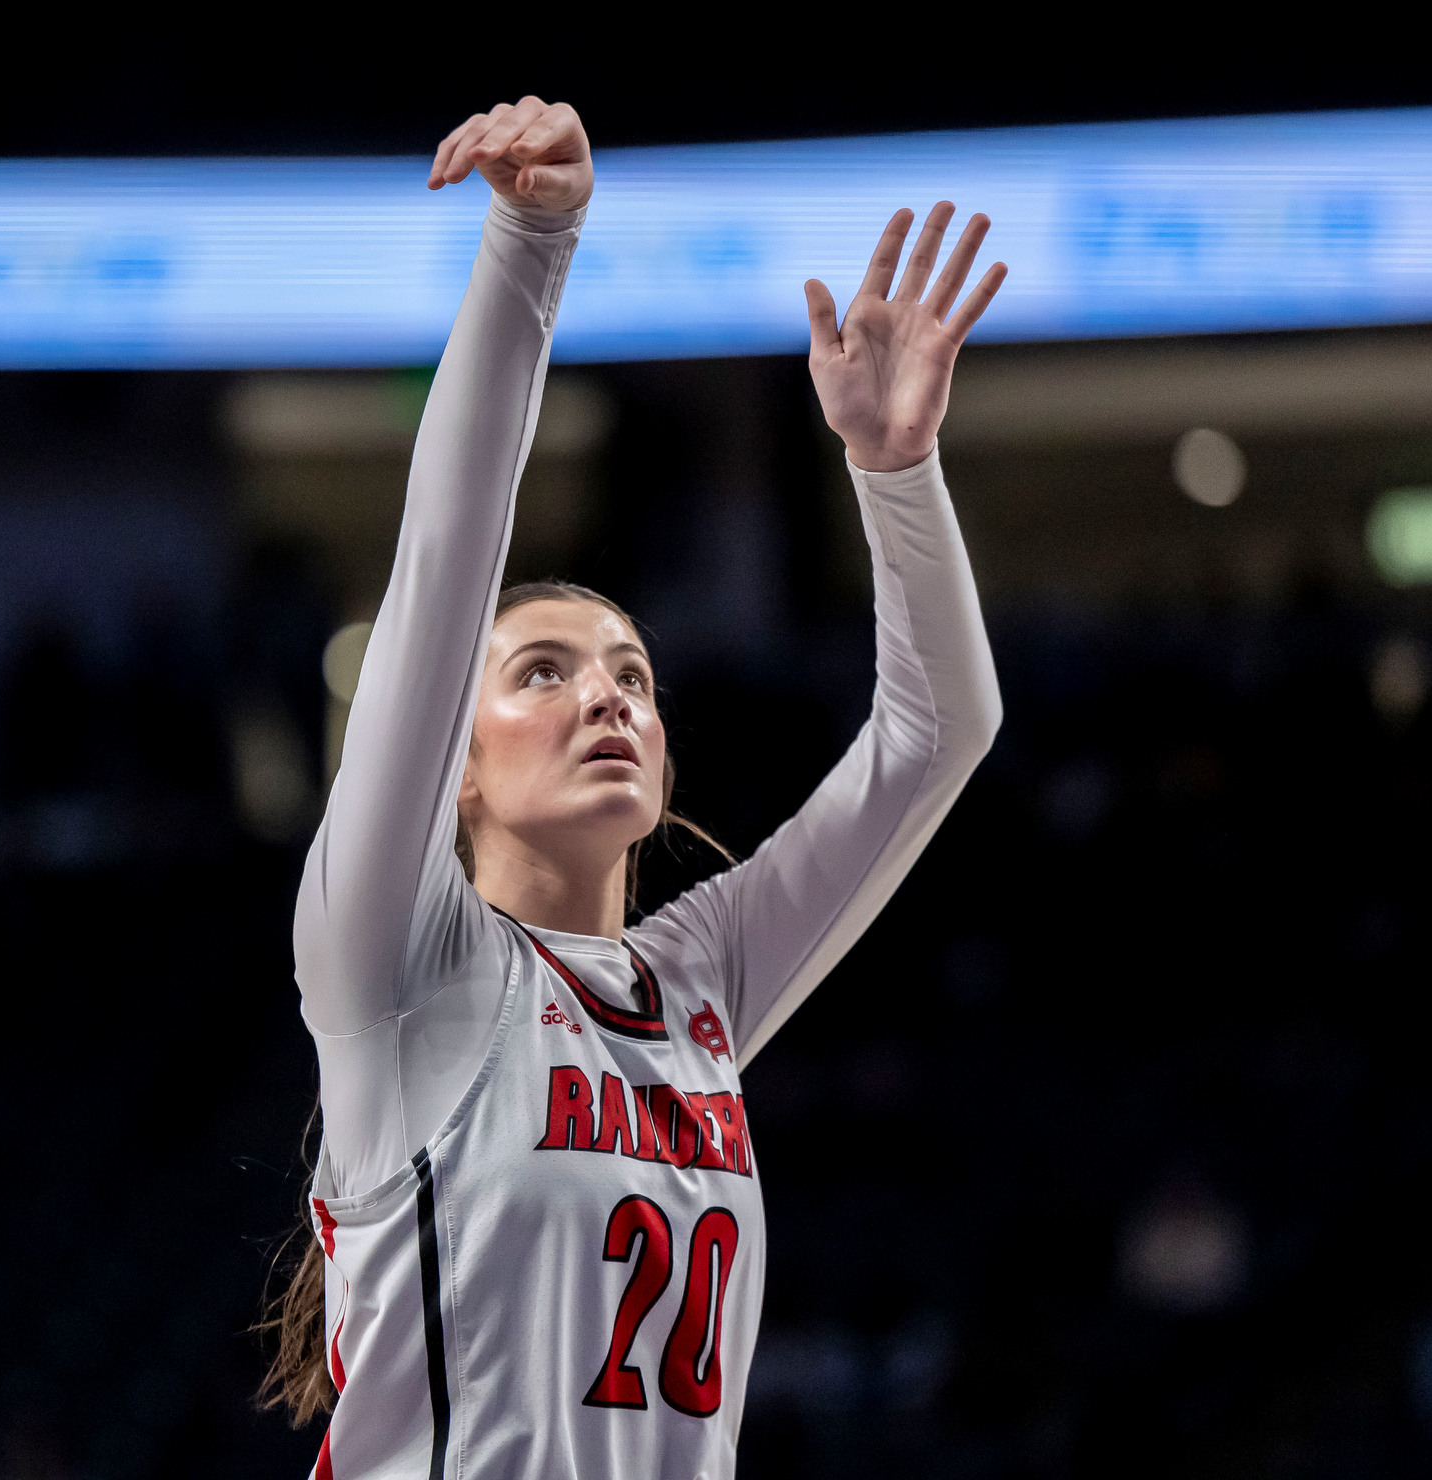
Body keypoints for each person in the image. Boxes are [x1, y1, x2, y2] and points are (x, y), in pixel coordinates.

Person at [265, 95, 1005, 1479]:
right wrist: (533, 245)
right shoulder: (396, 963)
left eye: (630, 677)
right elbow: (441, 564)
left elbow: (936, 733)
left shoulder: (700, 981)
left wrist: (895, 473)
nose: (605, 692)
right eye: (541, 672)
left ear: (662, 762)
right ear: (453, 766)